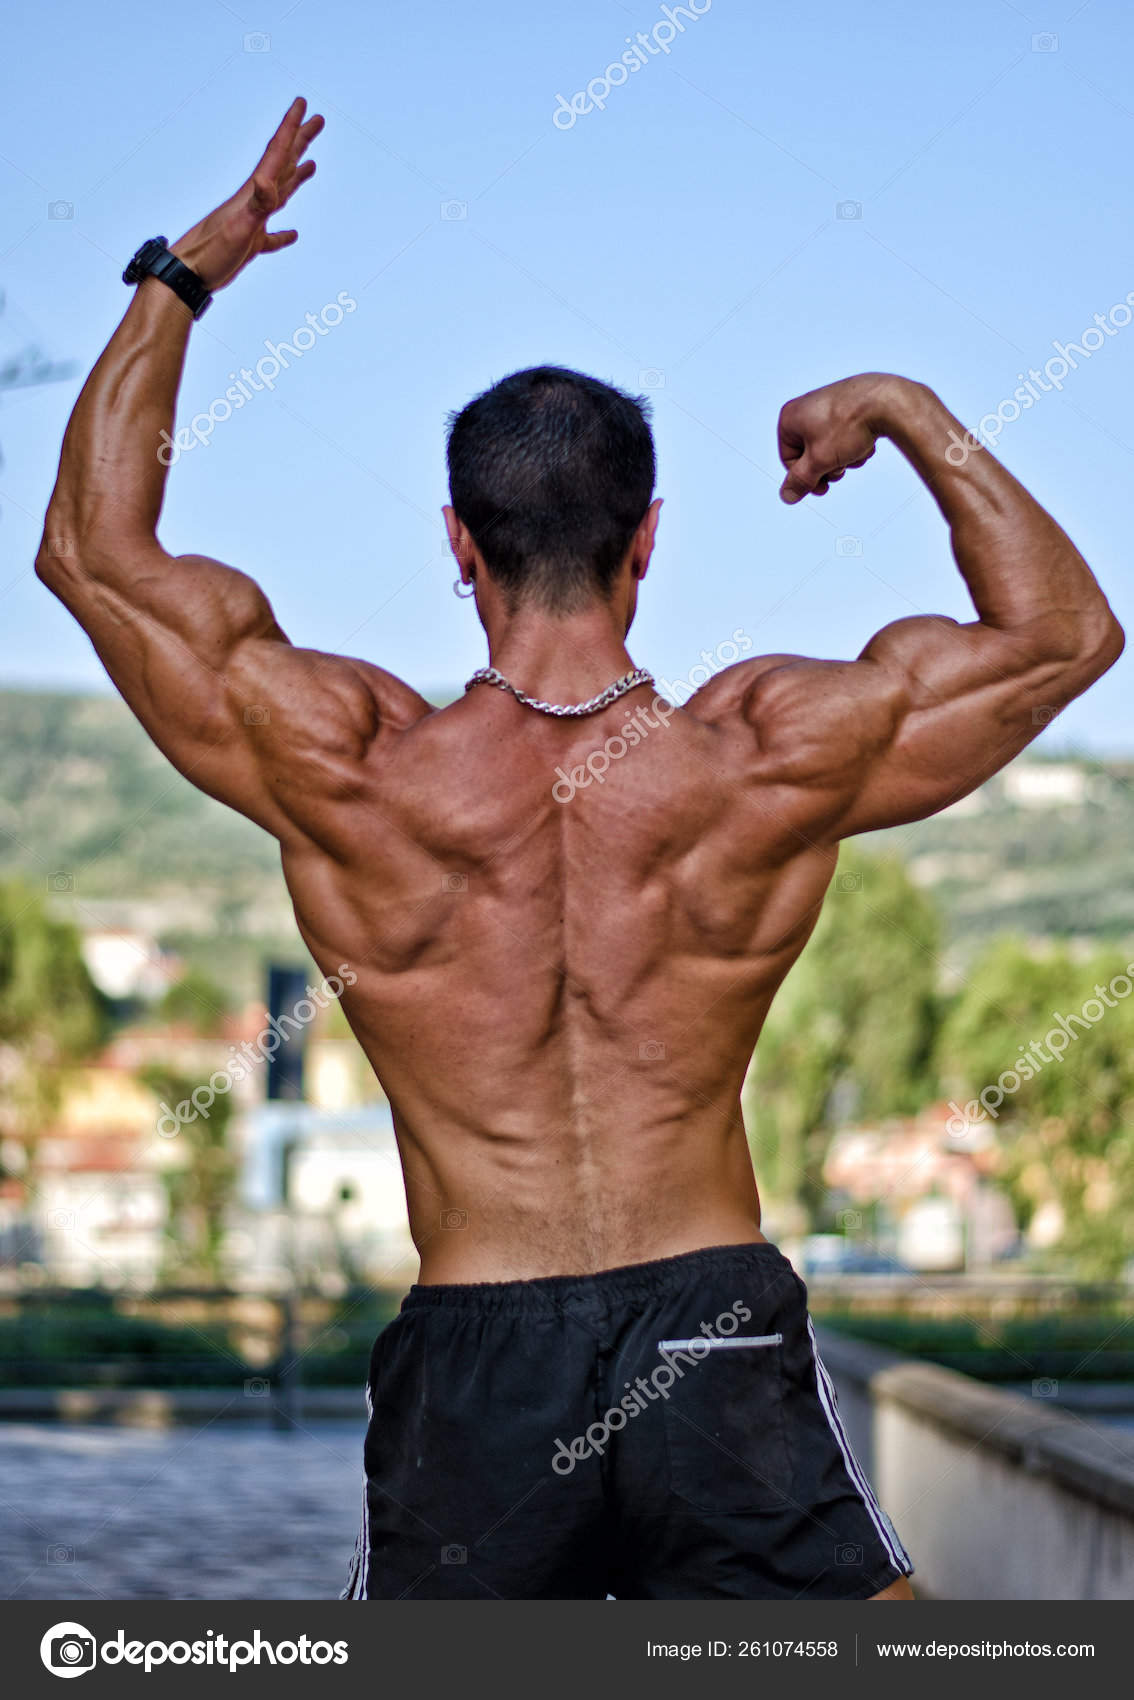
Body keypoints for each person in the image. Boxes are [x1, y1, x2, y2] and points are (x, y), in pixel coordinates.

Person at [37, 101, 1123, 1602]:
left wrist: (183, 272)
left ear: (457, 544)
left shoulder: (349, 762)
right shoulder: (763, 753)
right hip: (712, 1334)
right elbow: (1061, 637)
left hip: (478, 1351)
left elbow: (92, 554)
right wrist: (903, 407)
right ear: (649, 536)